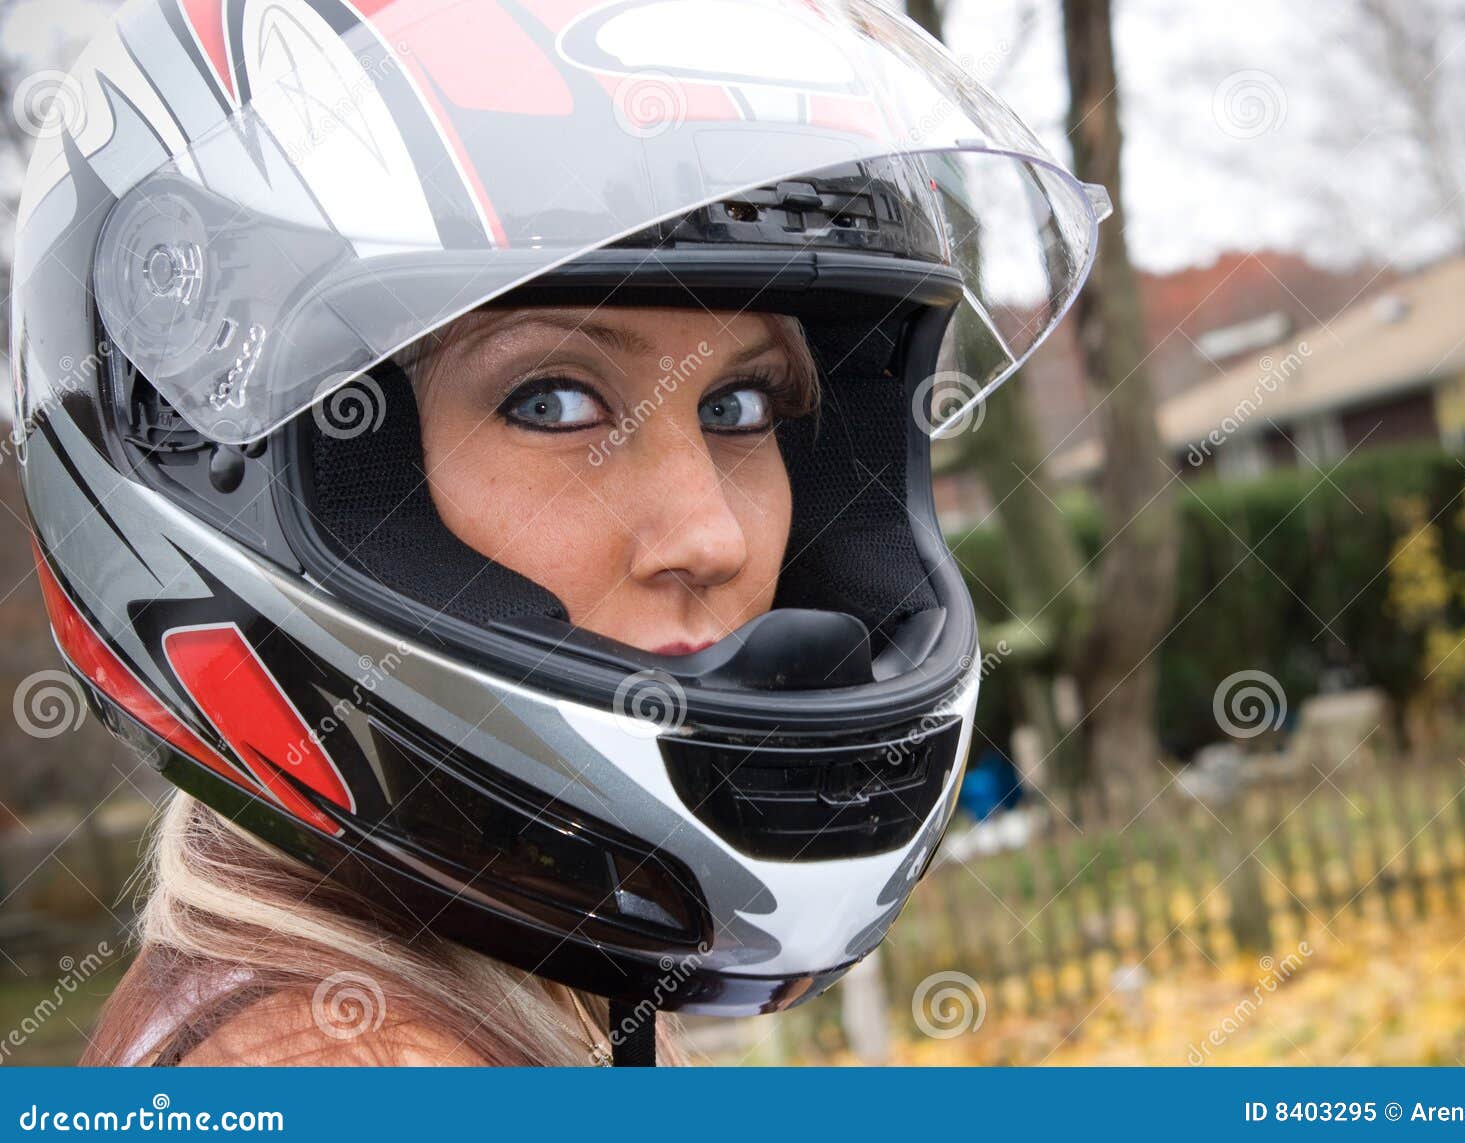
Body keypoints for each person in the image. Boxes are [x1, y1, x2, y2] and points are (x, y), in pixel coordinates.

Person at [12, 0, 1105, 1066]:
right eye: (553, 401)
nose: (709, 536)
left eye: (741, 407)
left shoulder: (511, 1007)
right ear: (244, 469)